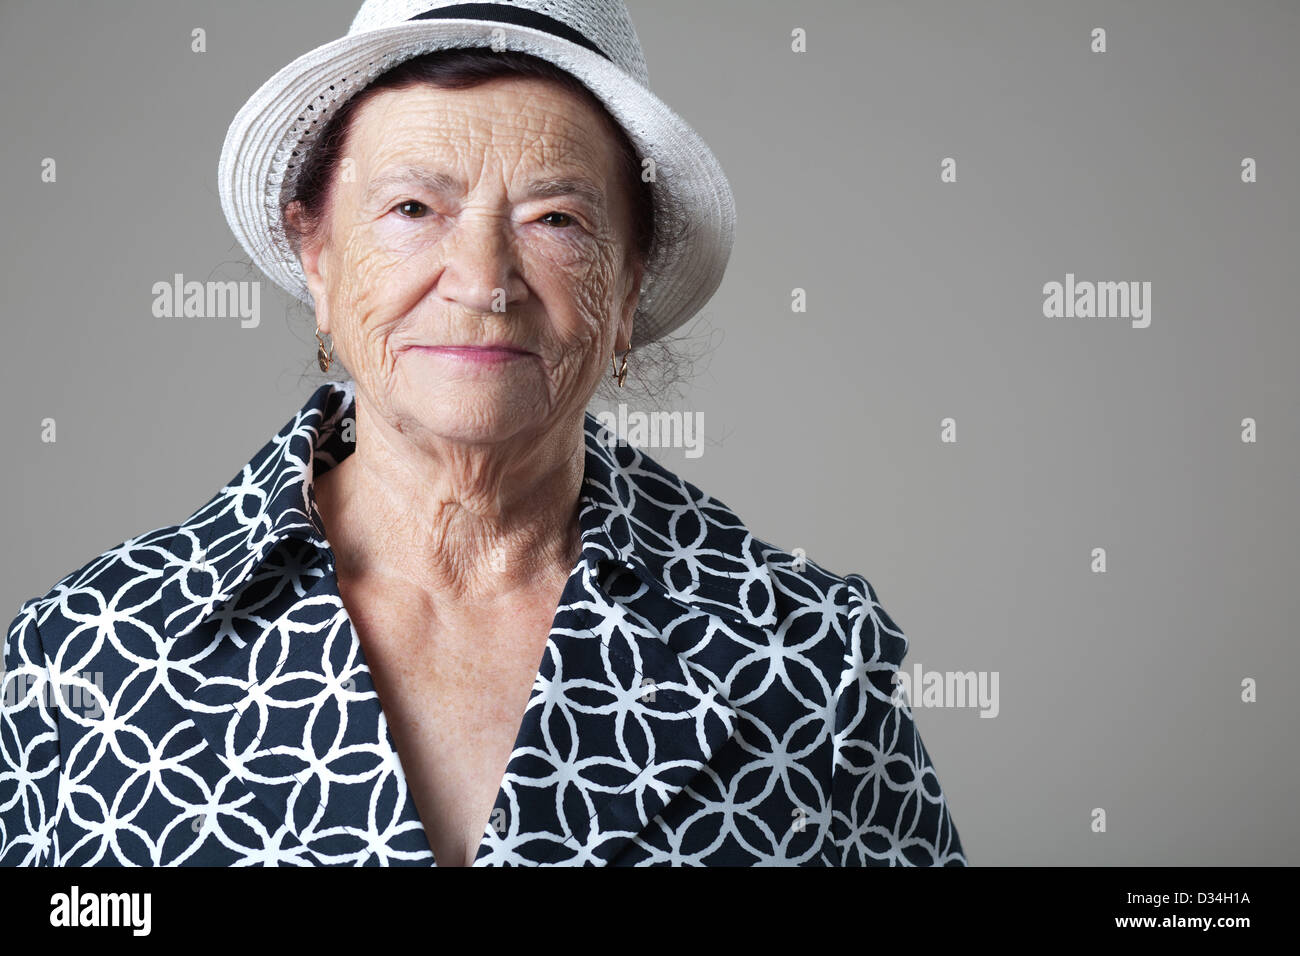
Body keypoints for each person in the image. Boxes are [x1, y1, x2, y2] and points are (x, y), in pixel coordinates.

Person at [0, 0, 966, 866]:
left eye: (556, 218)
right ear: (320, 258)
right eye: (413, 208)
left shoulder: (805, 660)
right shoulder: (90, 656)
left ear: (626, 289)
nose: (483, 280)